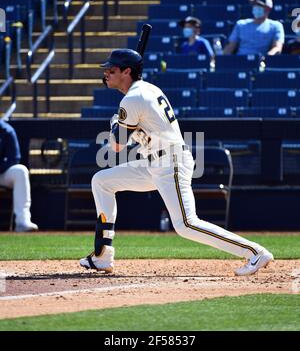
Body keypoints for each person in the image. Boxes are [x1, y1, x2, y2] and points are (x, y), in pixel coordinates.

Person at [79, 48, 274, 276]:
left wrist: (115, 126)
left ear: (127, 71)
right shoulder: (146, 90)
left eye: (112, 70)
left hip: (169, 162)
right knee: (102, 181)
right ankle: (103, 255)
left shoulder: (133, 98)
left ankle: (255, 252)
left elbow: (117, 146)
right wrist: (122, 127)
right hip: (153, 161)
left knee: (186, 224)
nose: (106, 74)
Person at [0, 120, 38, 232]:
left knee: (20, 170)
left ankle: (22, 221)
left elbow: (14, 158)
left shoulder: (6, 130)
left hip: (2, 173)